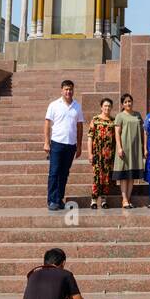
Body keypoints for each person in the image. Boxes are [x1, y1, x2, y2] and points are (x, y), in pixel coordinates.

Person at [44, 80, 84, 212]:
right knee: (54, 172)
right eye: (66, 89)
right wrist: (46, 142)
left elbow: (79, 127)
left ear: (73, 90)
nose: (68, 92)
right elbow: (47, 124)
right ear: (61, 90)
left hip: (70, 145)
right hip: (56, 143)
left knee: (64, 173)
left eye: (70, 89)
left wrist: (79, 146)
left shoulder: (77, 106)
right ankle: (52, 200)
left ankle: (59, 199)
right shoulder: (54, 105)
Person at [113, 93, 145, 209]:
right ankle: (124, 199)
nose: (128, 103)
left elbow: (142, 131)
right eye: (125, 102)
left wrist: (143, 146)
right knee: (124, 175)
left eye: (129, 101)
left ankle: (128, 198)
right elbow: (117, 133)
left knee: (132, 175)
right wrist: (119, 148)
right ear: (123, 104)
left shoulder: (137, 115)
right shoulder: (120, 116)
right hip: (124, 148)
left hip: (135, 148)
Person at [87, 97, 116, 209]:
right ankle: (94, 200)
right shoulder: (95, 120)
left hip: (108, 154)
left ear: (111, 107)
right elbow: (90, 137)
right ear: (101, 107)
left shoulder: (113, 121)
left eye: (109, 106)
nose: (107, 108)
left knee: (107, 177)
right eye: (105, 106)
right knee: (96, 176)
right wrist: (90, 153)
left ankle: (104, 199)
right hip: (97, 153)